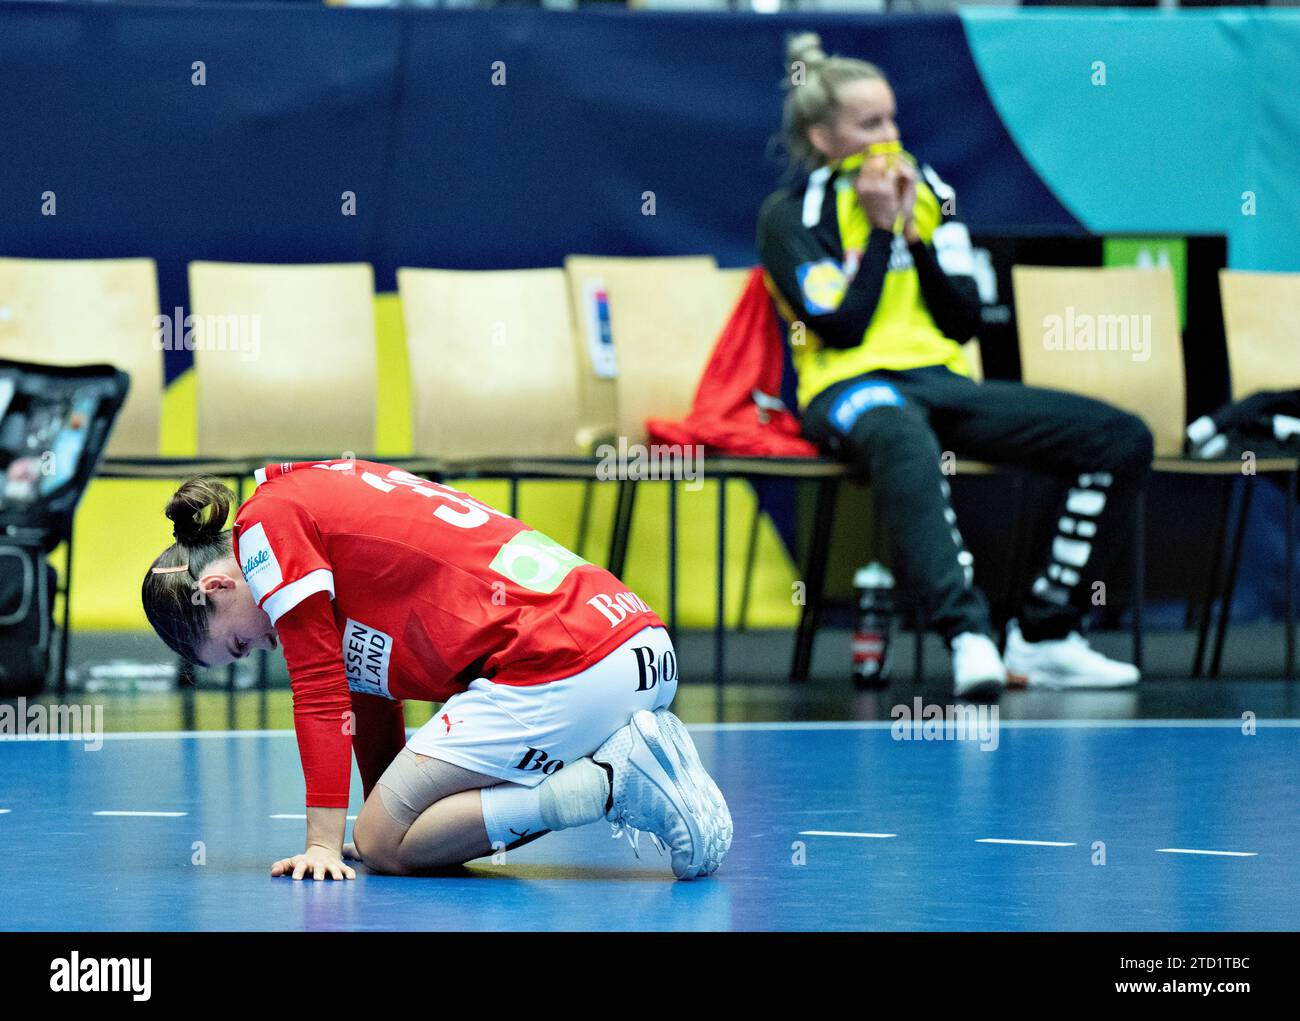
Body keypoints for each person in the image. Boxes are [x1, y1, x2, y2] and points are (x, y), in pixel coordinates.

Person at [757, 33, 1153, 698]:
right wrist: (881, 231)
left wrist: (915, 231)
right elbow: (842, 325)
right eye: (869, 124)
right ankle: (968, 634)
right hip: (848, 390)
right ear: (824, 138)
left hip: (942, 382)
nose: (890, 136)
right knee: (900, 431)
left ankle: (1046, 635)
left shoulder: (931, 193)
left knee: (1119, 437)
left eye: (892, 118)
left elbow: (964, 318)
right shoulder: (790, 216)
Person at [141, 458, 731, 880]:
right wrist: (386, 819)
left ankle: (609, 782)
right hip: (632, 644)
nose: (267, 644)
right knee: (386, 841)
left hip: (565, 665)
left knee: (381, 842)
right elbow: (367, 690)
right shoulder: (304, 499)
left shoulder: (265, 527)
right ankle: (626, 761)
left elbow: (321, 692)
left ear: (216, 586)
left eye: (242, 642)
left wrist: (325, 842)